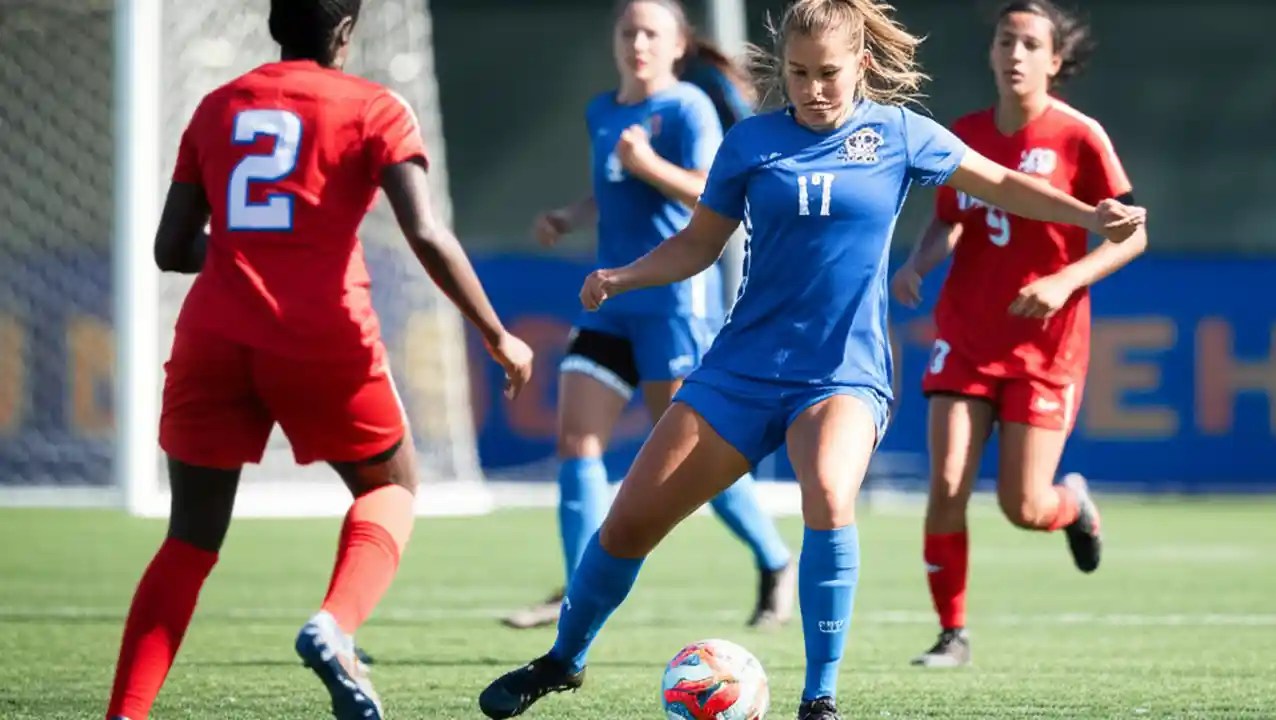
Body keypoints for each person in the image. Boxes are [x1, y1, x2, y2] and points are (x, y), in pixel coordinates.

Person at [477, 0, 1145, 718]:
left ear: (860, 64)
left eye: (828, 72)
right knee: (629, 525)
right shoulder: (751, 142)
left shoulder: (898, 133)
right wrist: (624, 275)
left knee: (827, 492)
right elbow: (701, 244)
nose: (814, 88)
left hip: (842, 374)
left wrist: (1087, 216)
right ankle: (563, 660)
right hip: (739, 369)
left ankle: (819, 699)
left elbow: (1003, 184)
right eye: (798, 73)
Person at [102, 1, 533, 719]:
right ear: (345, 30)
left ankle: (125, 713)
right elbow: (425, 232)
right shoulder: (373, 107)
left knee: (189, 538)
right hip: (321, 336)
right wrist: (494, 331)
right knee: (391, 485)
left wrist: (247, 257)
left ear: (275, 23)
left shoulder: (217, 106)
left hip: (214, 338)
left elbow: (170, 249)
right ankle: (335, 625)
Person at [501, 0, 796, 632]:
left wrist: (648, 164)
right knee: (575, 444)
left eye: (651, 33)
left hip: (675, 304)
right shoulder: (603, 110)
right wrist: (571, 217)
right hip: (610, 305)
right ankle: (578, 589)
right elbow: (609, 184)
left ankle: (775, 559)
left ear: (678, 45)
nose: (638, 42)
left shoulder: (687, 108)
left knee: (693, 458)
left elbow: (710, 191)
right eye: (628, 31)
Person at [891, 0, 1147, 669]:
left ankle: (1073, 505)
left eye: (1031, 44)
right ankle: (952, 634)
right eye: (1006, 41)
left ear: (1055, 61)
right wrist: (919, 262)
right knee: (946, 480)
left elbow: (1131, 232)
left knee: (1024, 505)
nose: (1015, 54)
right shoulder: (967, 133)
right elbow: (949, 215)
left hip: (1045, 346)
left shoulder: (1079, 137)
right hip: (967, 334)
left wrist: (1065, 282)